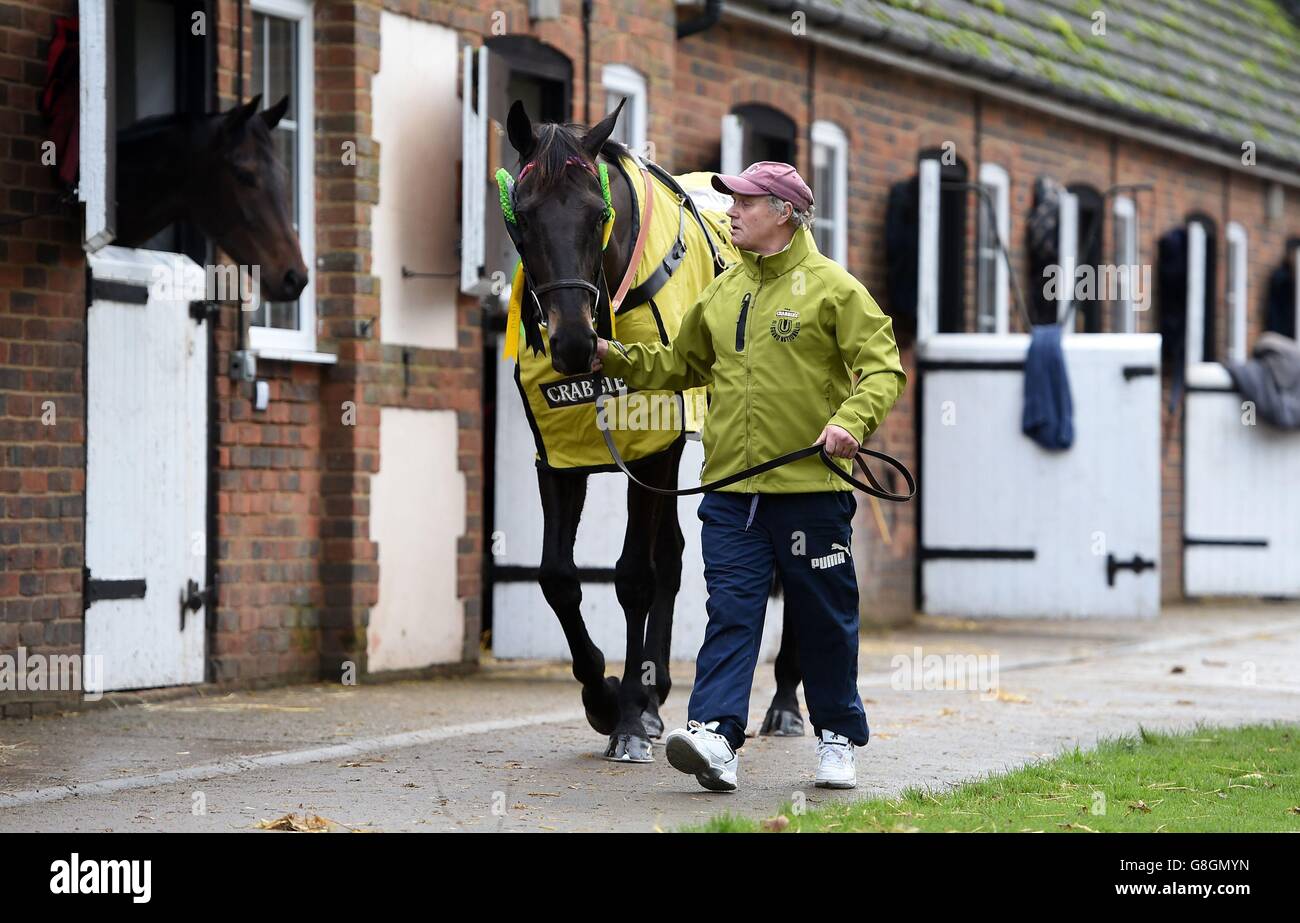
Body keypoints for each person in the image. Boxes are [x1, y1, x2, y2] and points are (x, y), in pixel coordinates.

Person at [592, 161, 906, 792]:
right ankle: (715, 735)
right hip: (731, 495)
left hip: (811, 493)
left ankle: (838, 737)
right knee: (731, 615)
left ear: (784, 213)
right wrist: (611, 355)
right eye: (730, 201)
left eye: (744, 202)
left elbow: (883, 370)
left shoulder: (834, 289)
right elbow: (678, 364)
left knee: (824, 620)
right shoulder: (723, 290)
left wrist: (851, 422)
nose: (730, 210)